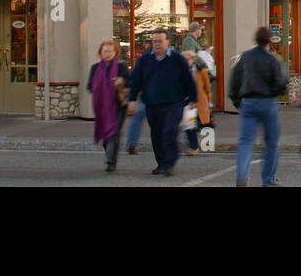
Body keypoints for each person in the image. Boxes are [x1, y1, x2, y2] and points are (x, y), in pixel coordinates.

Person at [127, 29, 197, 177]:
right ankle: (161, 163)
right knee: (157, 134)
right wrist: (132, 99)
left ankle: (169, 163)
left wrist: (192, 98)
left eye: (160, 41)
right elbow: (135, 81)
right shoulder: (145, 60)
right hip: (152, 104)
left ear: (168, 42)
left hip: (174, 103)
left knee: (169, 131)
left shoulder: (178, 59)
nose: (157, 44)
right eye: (154, 41)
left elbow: (188, 79)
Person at [231, 26, 289, 187]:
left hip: (248, 102)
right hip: (268, 101)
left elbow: (235, 80)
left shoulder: (245, 58)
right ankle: (268, 179)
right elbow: (281, 82)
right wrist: (276, 91)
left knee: (245, 141)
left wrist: (236, 101)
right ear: (269, 40)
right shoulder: (273, 59)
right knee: (271, 142)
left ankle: (242, 175)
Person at [87, 40, 129, 172]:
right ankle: (111, 156)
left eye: (111, 51)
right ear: (101, 53)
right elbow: (89, 86)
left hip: (118, 105)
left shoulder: (121, 67)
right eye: (105, 51)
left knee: (114, 133)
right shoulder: (95, 68)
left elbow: (131, 83)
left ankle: (110, 161)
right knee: (106, 135)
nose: (108, 53)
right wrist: (99, 89)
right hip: (102, 106)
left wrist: (121, 82)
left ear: (116, 52)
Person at [181, 51, 212, 155]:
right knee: (188, 125)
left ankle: (194, 146)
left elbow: (207, 89)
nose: (185, 62)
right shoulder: (180, 71)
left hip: (197, 102)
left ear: (192, 60)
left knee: (190, 124)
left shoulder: (200, 71)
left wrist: (208, 101)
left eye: (187, 59)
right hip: (184, 101)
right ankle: (192, 145)